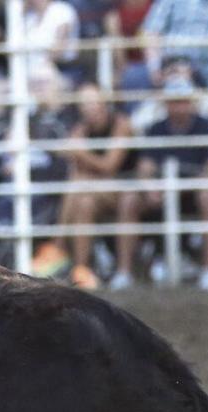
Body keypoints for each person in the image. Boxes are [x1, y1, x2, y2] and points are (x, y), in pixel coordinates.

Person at [113, 77, 208, 291]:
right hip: (162, 191)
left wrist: (194, 184)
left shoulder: (206, 126)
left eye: (183, 101)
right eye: (174, 101)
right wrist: (149, 187)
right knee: (129, 199)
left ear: (191, 102)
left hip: (194, 191)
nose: (179, 106)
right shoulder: (156, 129)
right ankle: (124, 272)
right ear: (166, 104)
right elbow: (145, 167)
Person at [57, 82, 135, 290]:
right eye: (84, 102)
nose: (89, 107)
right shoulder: (81, 129)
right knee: (84, 201)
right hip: (92, 192)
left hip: (127, 190)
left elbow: (110, 166)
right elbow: (76, 170)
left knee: (79, 184)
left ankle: (58, 246)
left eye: (92, 101)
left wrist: (81, 153)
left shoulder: (121, 125)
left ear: (104, 101)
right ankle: (82, 270)